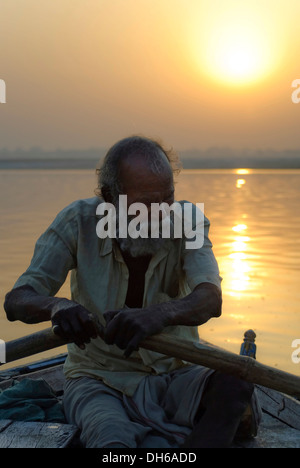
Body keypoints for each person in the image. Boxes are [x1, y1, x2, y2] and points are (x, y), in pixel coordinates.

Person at [4, 136, 259, 448]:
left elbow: (210, 298)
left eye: (167, 199)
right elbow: (17, 300)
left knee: (235, 387)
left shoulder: (188, 220)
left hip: (176, 373)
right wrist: (56, 307)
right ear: (111, 197)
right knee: (113, 441)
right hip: (99, 378)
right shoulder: (78, 221)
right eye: (146, 205)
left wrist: (161, 314)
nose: (161, 214)